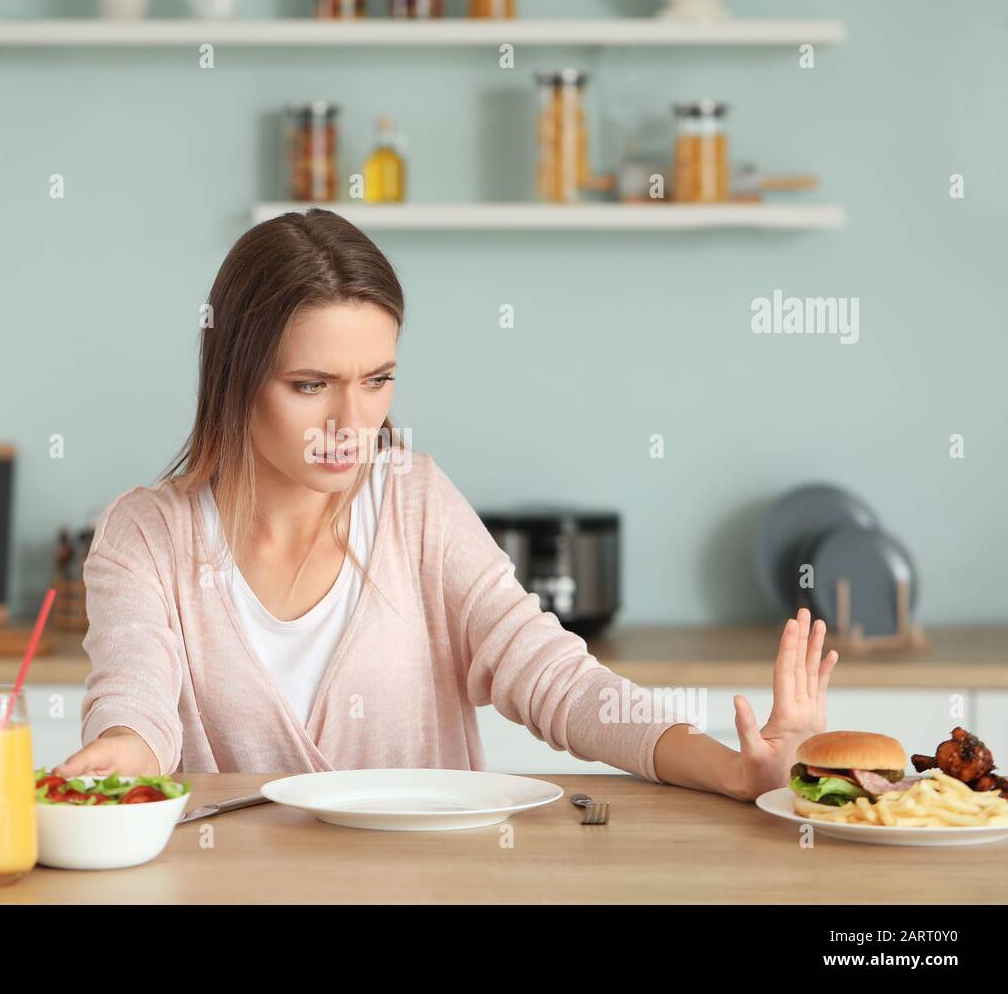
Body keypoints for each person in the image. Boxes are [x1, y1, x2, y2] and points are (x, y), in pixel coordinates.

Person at [56, 209, 838, 802]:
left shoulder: (415, 503)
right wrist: (119, 753)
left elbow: (557, 680)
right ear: (233, 374)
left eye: (376, 380)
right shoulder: (145, 536)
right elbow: (137, 699)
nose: (350, 424)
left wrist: (734, 770)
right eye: (309, 385)